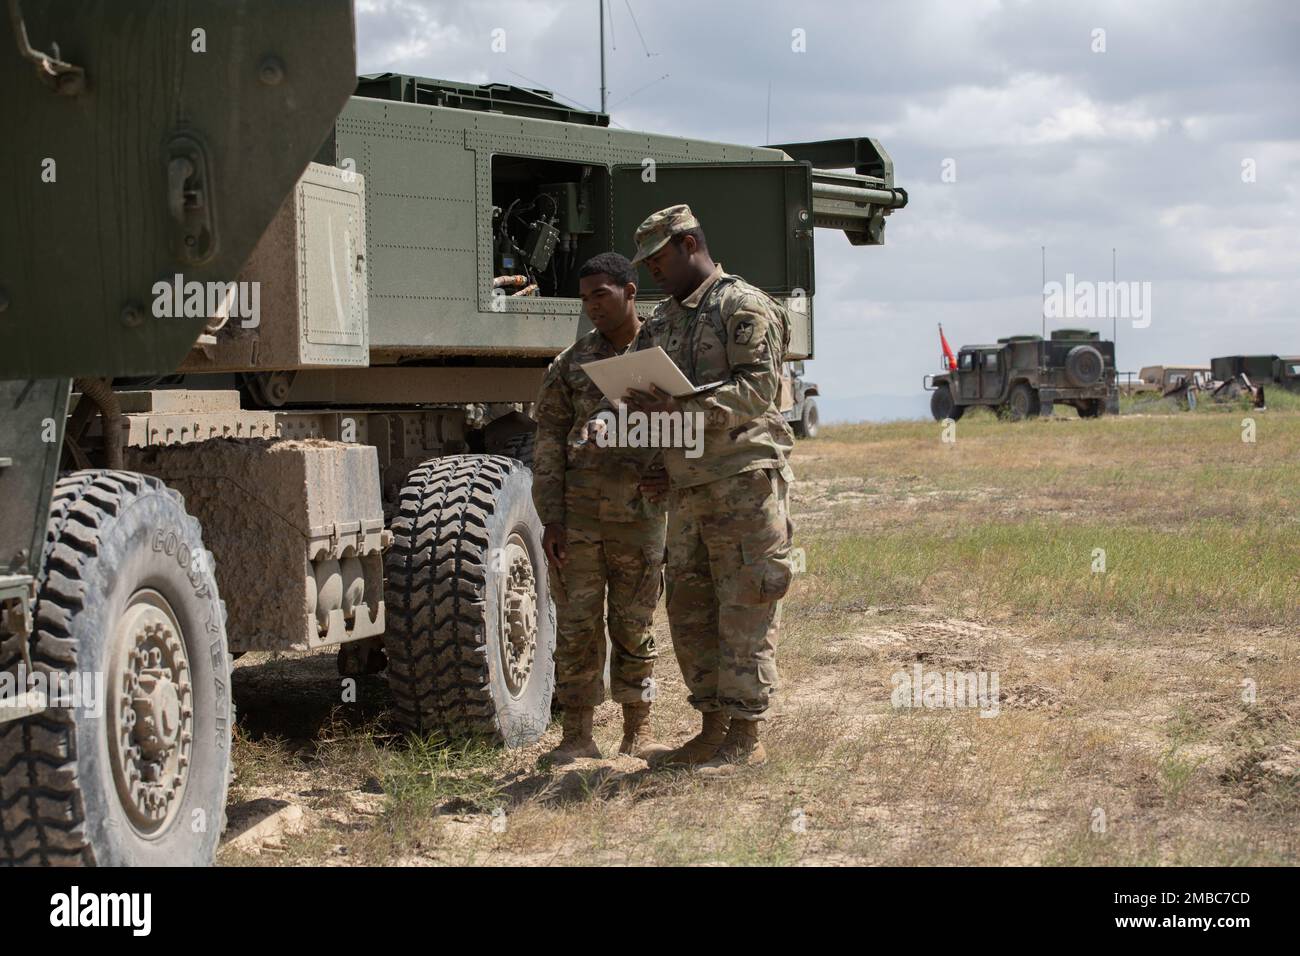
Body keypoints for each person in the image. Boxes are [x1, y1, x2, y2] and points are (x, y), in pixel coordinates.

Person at [615, 204, 796, 775]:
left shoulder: (743, 307)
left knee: (745, 602)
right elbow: (651, 391)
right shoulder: (663, 322)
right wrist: (655, 455)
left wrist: (683, 408)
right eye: (644, 263)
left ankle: (746, 735)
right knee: (692, 610)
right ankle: (711, 729)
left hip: (743, 481)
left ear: (690, 243)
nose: (650, 273)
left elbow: (758, 389)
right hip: (689, 487)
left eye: (658, 258)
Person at [531, 252, 669, 764]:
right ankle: (577, 735)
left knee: (635, 623)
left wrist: (671, 474)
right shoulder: (570, 366)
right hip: (581, 518)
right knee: (577, 626)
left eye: (601, 296)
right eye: (585, 298)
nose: (592, 307)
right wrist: (552, 519)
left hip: (642, 514)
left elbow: (694, 424)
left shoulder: (664, 349)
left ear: (631, 292)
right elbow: (547, 443)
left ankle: (639, 731)